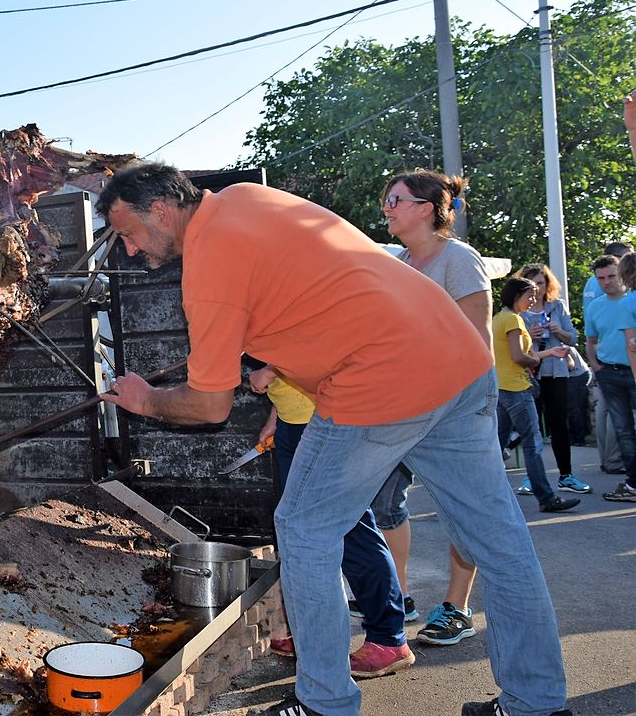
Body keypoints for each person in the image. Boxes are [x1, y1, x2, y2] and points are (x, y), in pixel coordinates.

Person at [96, 164, 571, 716]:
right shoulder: (247, 198)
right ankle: (536, 703)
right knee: (500, 542)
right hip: (458, 361)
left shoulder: (206, 271)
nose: (129, 251)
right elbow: (312, 296)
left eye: (126, 232)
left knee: (304, 528)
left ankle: (324, 702)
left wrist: (145, 399)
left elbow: (210, 405)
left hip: (381, 381)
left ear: (160, 209)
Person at [371, 169, 492, 649]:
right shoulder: (398, 262)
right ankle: (400, 597)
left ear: (425, 208)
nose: (387, 209)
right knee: (383, 504)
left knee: (462, 511)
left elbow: (477, 342)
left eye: (396, 200)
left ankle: (457, 607)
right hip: (403, 405)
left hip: (456, 407)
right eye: (387, 200)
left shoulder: (459, 259)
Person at [249, 366, 411, 676]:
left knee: (353, 530)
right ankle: (316, 637)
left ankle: (388, 638)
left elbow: (316, 341)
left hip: (326, 420)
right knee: (301, 539)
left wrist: (271, 369)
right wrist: (277, 416)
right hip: (292, 421)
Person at [493, 277, 578, 513]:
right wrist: (532, 362)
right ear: (515, 296)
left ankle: (482, 496)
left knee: (497, 445)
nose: (533, 299)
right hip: (517, 389)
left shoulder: (499, 318)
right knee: (532, 444)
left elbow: (517, 355)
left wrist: (549, 352)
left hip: (502, 388)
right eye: (529, 295)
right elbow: (519, 357)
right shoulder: (512, 319)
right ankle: (547, 498)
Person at [516, 263, 592, 495]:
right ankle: (534, 478)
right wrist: (530, 335)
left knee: (559, 423)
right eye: (532, 284)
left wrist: (558, 331)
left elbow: (574, 339)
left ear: (548, 284)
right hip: (531, 374)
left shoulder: (557, 306)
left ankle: (566, 475)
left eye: (541, 282)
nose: (537, 288)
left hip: (557, 371)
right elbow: (513, 347)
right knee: (533, 428)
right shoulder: (518, 311)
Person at [584, 254, 636, 502]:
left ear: (622, 274)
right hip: (610, 374)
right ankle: (633, 483)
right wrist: (595, 366)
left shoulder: (632, 301)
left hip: (633, 370)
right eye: (601, 278)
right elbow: (591, 341)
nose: (607, 282)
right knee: (623, 430)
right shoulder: (595, 307)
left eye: (611, 276)